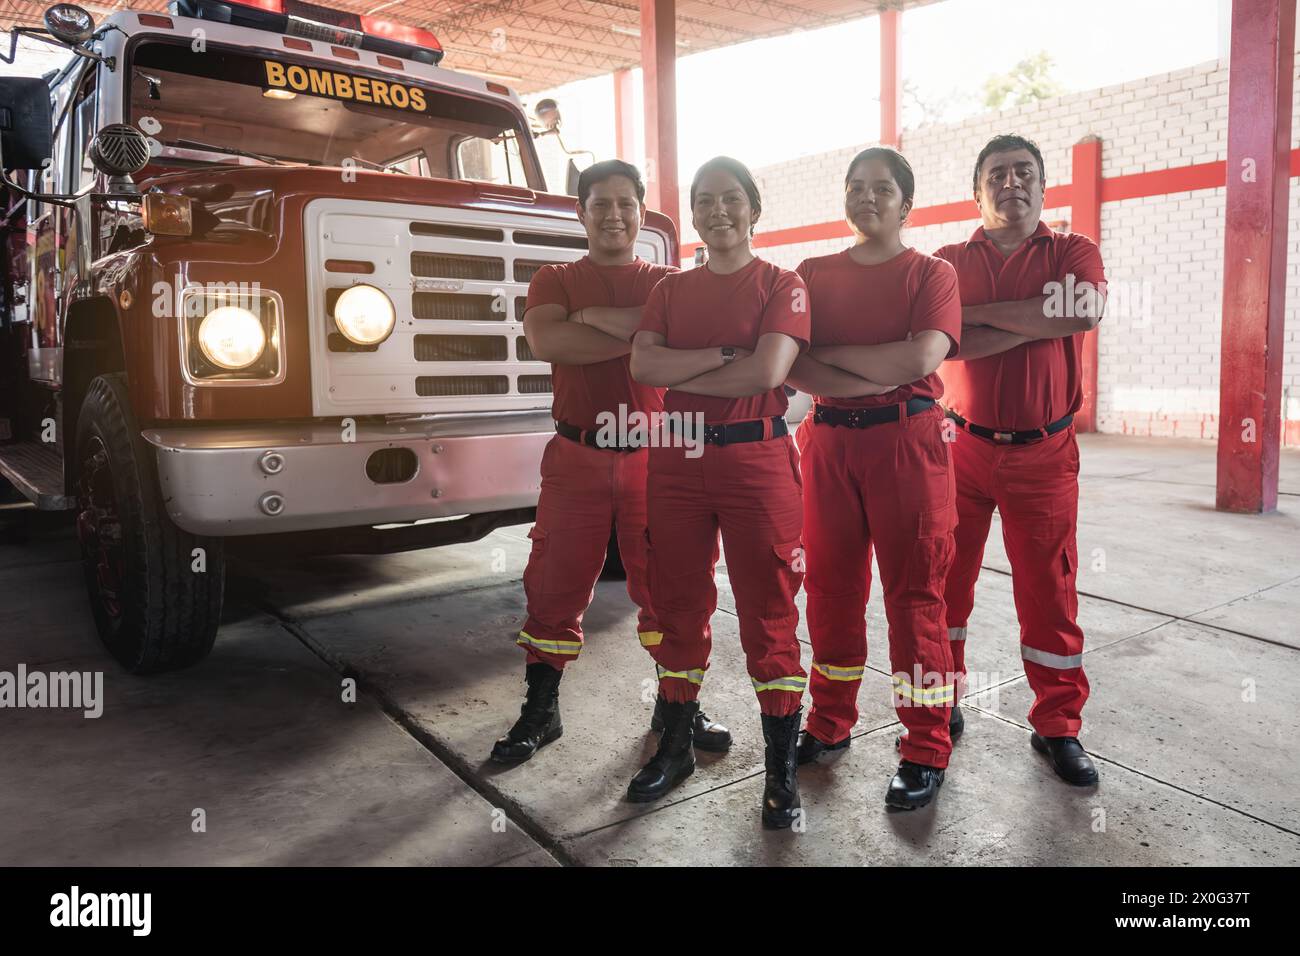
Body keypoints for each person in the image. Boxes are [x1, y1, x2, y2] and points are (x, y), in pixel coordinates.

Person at [491, 160, 732, 765]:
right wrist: (642, 336)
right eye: (600, 204)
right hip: (577, 456)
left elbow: (668, 342)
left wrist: (592, 322)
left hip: (658, 455)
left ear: (642, 212)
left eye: (626, 203)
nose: (614, 215)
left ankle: (678, 703)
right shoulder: (554, 278)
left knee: (672, 584)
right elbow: (549, 342)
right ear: (581, 212)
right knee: (554, 580)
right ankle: (540, 709)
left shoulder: (669, 282)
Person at [629, 156, 809, 829]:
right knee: (677, 600)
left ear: (753, 208)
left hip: (756, 462)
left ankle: (779, 772)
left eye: (731, 199)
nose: (717, 211)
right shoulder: (671, 291)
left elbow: (766, 371)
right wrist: (722, 358)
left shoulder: (782, 284)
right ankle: (675, 748)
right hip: (675, 460)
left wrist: (699, 367)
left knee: (769, 612)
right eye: (704, 201)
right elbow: (645, 366)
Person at [786, 147, 962, 810]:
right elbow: (794, 367)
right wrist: (872, 367)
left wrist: (833, 362)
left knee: (915, 597)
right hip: (829, 444)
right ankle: (829, 725)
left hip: (907, 443)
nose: (867, 197)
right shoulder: (811, 273)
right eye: (856, 186)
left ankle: (924, 747)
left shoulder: (932, 274)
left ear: (906, 202)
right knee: (830, 591)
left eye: (882, 188)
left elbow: (922, 355)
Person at [935, 134, 1107, 786]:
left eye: (1024, 173)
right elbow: (941, 338)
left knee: (1050, 591)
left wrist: (977, 322)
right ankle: (938, 702)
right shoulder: (948, 260)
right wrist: (1039, 316)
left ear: (1042, 185)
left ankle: (1057, 727)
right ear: (978, 190)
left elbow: (1084, 310)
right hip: (959, 448)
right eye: (998, 174)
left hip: (1045, 453)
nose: (1012, 183)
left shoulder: (1072, 250)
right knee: (944, 584)